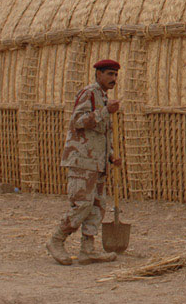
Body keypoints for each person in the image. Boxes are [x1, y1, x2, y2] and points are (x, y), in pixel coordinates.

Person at [45, 59, 123, 265]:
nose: (113, 78)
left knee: (97, 206)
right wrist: (106, 111)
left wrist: (111, 155)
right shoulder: (88, 93)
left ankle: (88, 249)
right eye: (109, 74)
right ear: (98, 74)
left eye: (115, 75)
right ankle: (56, 240)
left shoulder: (104, 97)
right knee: (82, 204)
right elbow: (78, 121)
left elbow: (102, 133)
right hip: (82, 160)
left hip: (97, 163)